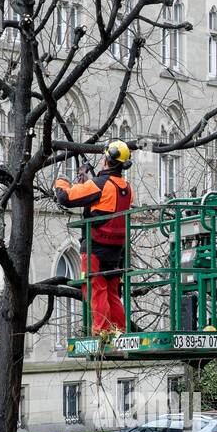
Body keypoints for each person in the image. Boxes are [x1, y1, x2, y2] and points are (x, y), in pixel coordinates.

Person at [53, 140, 134, 335]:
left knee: (95, 288)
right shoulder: (127, 188)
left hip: (94, 247)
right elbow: (104, 201)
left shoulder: (99, 184)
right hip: (116, 250)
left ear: (106, 159)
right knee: (112, 291)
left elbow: (66, 198)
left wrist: (61, 181)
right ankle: (119, 329)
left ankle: (102, 330)